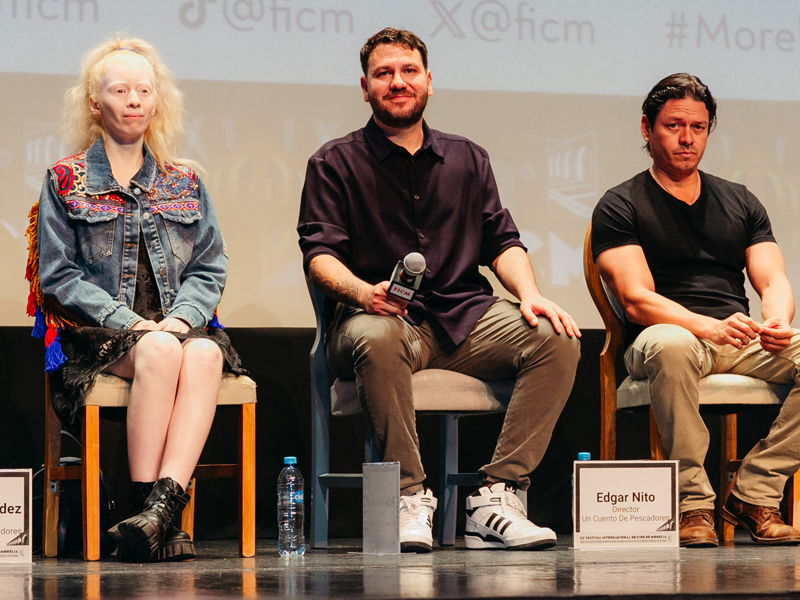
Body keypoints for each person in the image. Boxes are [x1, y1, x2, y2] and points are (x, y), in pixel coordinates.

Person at [297, 27, 581, 552]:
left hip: (462, 317)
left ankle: (497, 497)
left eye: (408, 71)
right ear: (365, 87)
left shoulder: (468, 158)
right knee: (376, 336)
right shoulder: (333, 163)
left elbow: (502, 241)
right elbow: (320, 257)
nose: (397, 82)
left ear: (429, 81)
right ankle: (408, 497)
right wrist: (363, 293)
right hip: (378, 319)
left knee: (555, 336)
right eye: (383, 73)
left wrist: (529, 293)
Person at [25, 37, 245, 562]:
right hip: (98, 335)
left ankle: (153, 519)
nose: (134, 101)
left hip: (173, 328)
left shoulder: (184, 180)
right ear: (94, 102)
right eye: (120, 90)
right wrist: (127, 320)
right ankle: (146, 508)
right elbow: (58, 275)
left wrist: (183, 318)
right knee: (162, 350)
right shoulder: (66, 180)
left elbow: (209, 264)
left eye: (144, 91)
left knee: (205, 352)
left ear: (156, 100)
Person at [592, 73, 800, 547]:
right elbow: (635, 299)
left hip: (736, 338)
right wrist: (704, 325)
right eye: (673, 126)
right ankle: (692, 505)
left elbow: (772, 279)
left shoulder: (740, 200)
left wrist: (776, 321)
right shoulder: (621, 203)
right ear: (646, 128)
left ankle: (755, 492)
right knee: (673, 344)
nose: (687, 138)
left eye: (698, 127)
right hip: (663, 337)